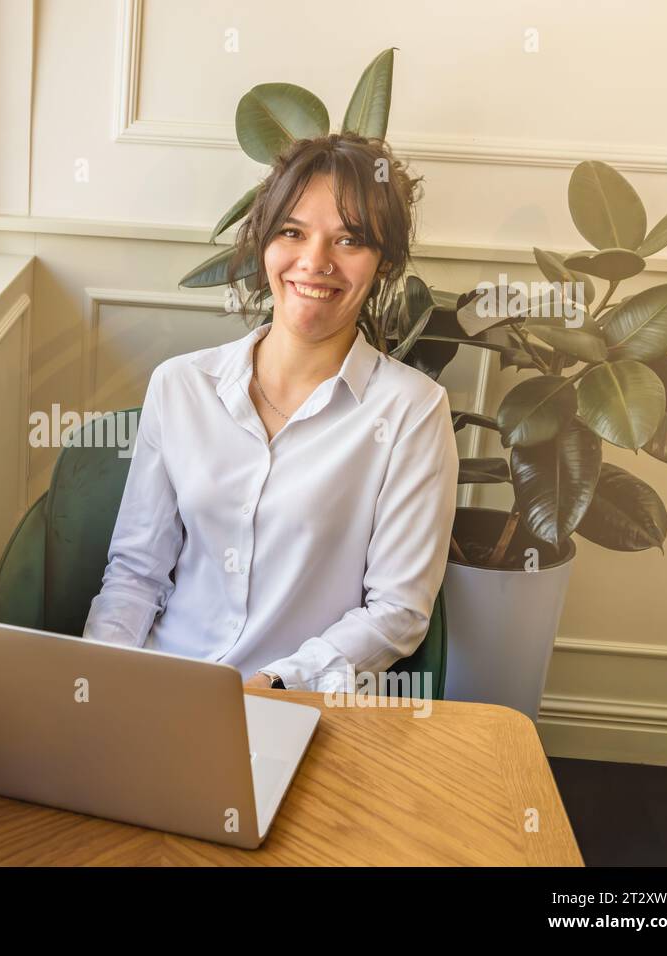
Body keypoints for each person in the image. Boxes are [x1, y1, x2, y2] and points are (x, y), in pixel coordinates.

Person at [81, 131, 460, 694]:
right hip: (159, 690)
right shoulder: (181, 385)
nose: (315, 262)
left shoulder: (412, 410)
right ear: (263, 241)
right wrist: (97, 680)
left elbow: (396, 611)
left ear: (382, 264)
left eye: (349, 240)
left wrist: (271, 686)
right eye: (292, 232)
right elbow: (136, 573)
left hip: (292, 703)